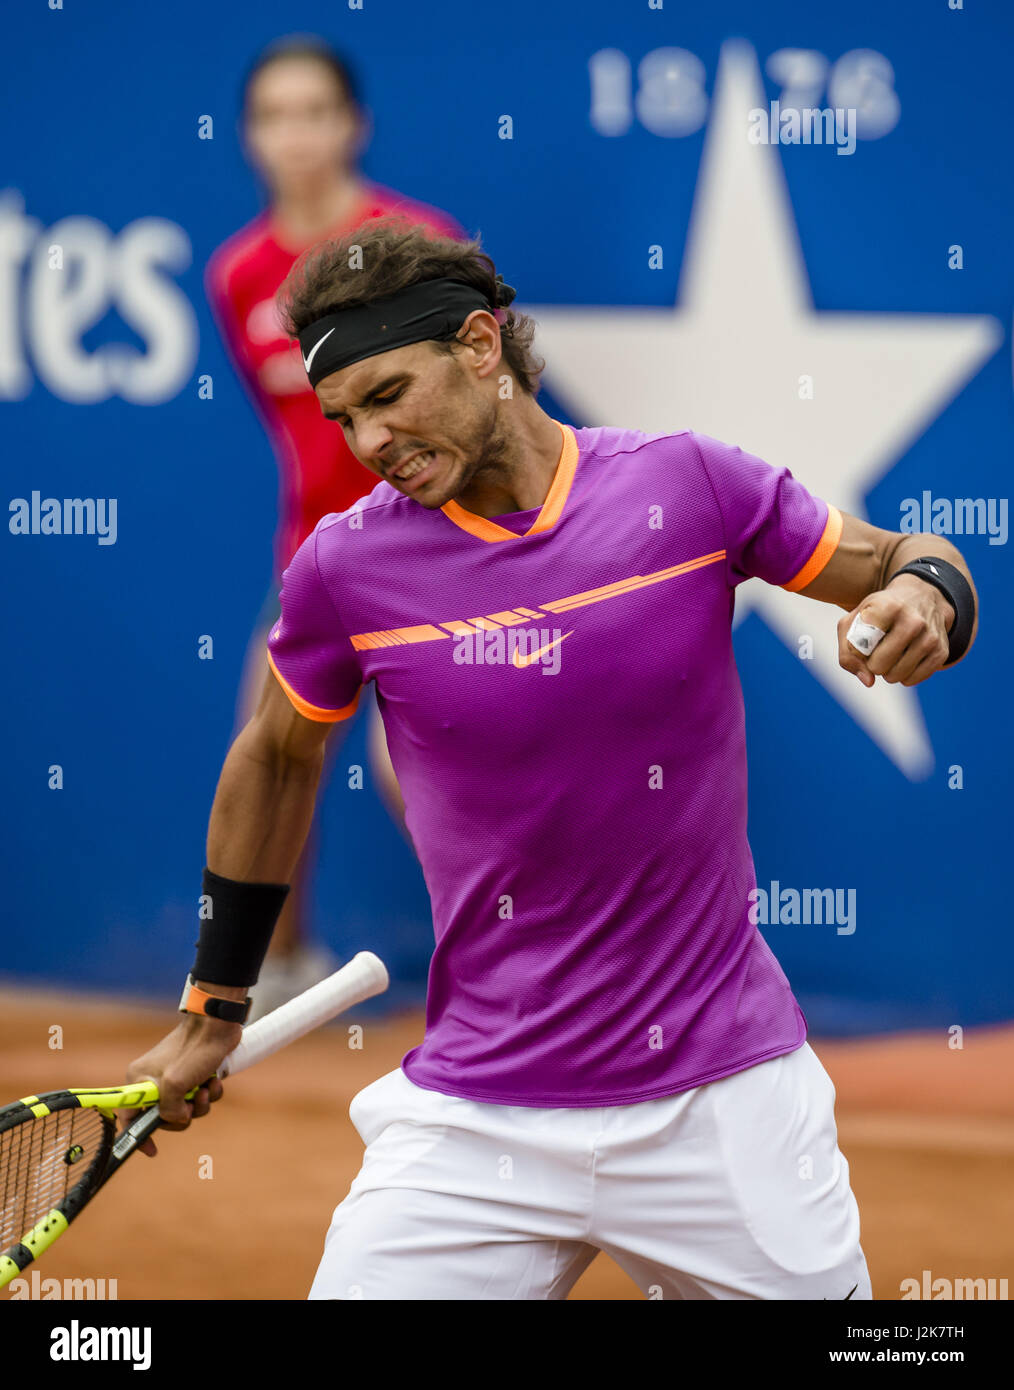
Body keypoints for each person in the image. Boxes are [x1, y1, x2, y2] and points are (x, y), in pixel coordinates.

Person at [128, 219, 978, 1300]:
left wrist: (925, 598)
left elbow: (911, 560)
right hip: (481, 1114)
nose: (371, 440)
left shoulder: (691, 490)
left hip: (721, 1100)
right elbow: (277, 759)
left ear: (483, 346)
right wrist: (213, 1008)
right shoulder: (345, 567)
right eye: (344, 418)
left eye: (390, 394)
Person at [205, 37, 465, 1016]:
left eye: (315, 112)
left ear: (352, 124)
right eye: (275, 116)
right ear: (249, 136)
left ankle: (524, 961)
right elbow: (294, 428)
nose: (297, 135)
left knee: (410, 771)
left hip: (434, 552)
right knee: (267, 755)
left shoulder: (416, 240)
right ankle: (278, 971)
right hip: (314, 561)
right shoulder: (238, 274)